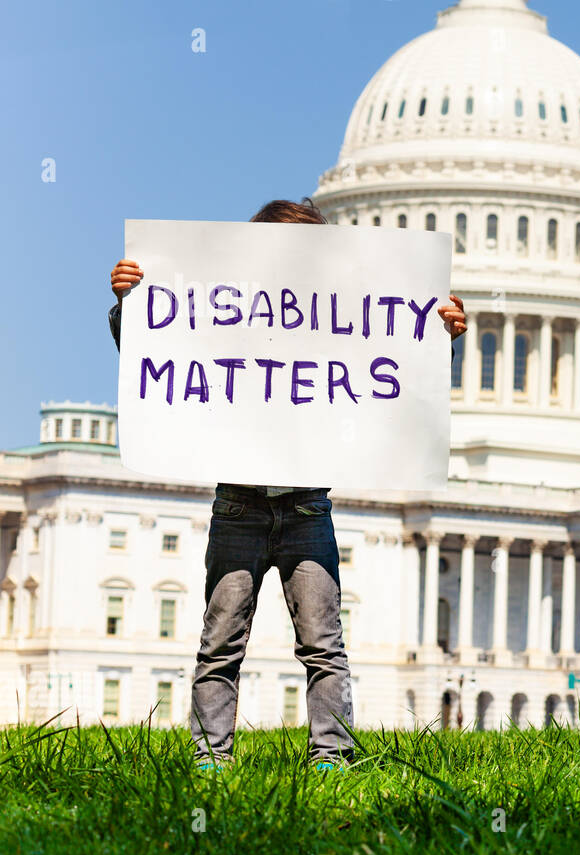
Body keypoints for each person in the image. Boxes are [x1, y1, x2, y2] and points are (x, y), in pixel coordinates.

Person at [107, 198, 467, 768]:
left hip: (306, 509)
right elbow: (162, 347)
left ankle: (331, 755)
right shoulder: (229, 308)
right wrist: (129, 305)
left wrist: (440, 334)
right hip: (238, 507)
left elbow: (394, 368)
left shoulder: (337, 313)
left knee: (324, 646)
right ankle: (211, 758)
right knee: (219, 643)